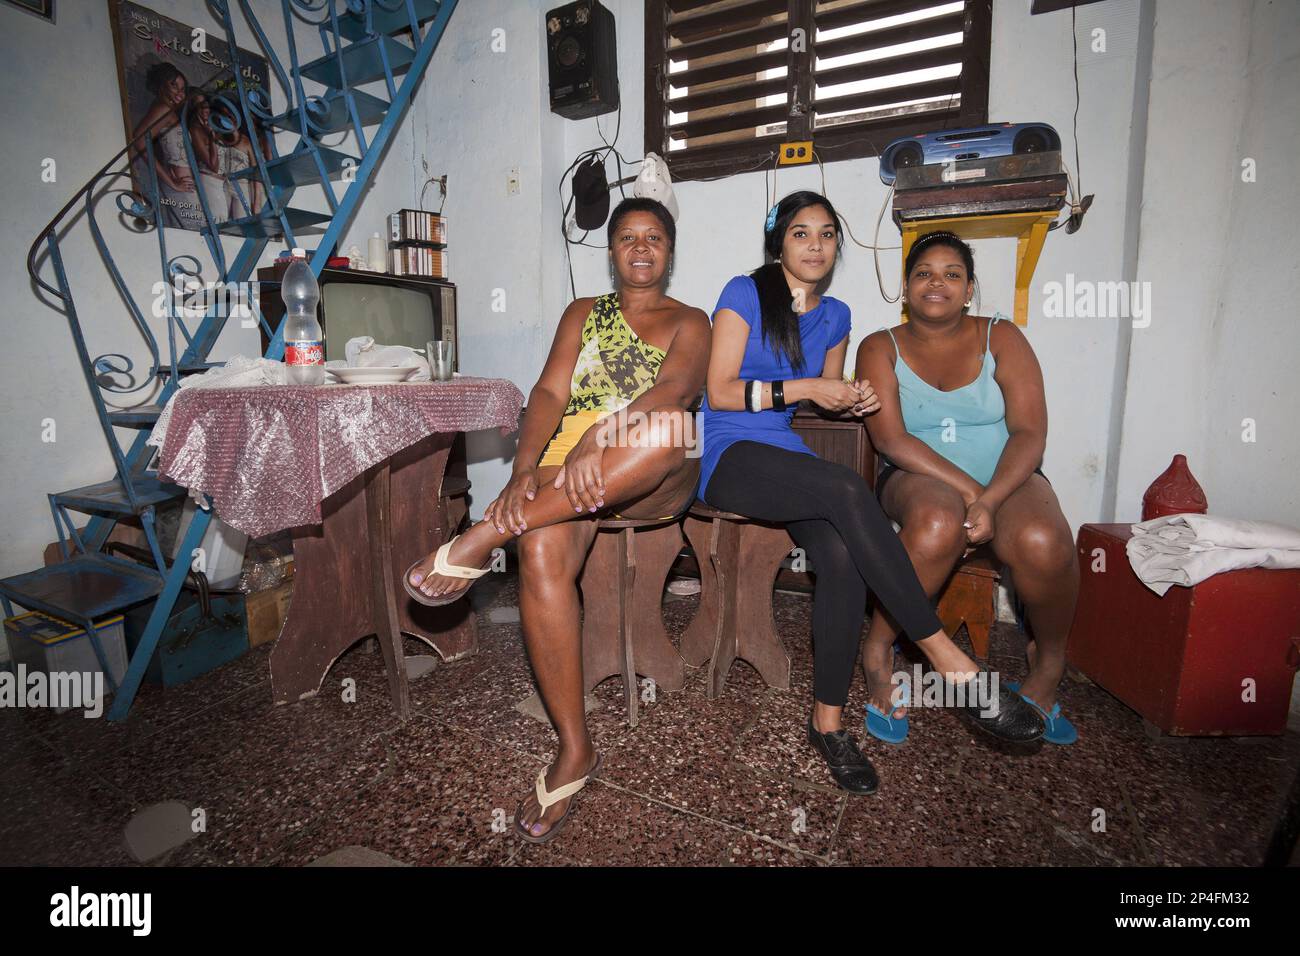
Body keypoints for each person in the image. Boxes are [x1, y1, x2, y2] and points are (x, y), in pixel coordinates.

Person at [699, 193, 1045, 795]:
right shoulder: (743, 293)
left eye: (827, 235)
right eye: (801, 233)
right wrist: (805, 385)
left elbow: (820, 396)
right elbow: (722, 392)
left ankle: (827, 723)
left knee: (839, 557)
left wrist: (849, 397)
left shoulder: (836, 315)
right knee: (843, 485)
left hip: (784, 453)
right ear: (778, 243)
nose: (815, 246)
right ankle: (942, 655)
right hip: (728, 452)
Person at [404, 197, 710, 841]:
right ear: (611, 253)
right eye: (628, 237)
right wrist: (523, 469)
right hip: (565, 475)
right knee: (541, 553)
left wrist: (605, 430)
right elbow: (547, 392)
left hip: (652, 465)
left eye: (654, 237)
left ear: (671, 251)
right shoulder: (582, 314)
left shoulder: (691, 320)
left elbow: (678, 389)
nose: (641, 248)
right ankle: (575, 747)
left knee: (671, 425)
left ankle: (484, 535)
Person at [854, 230, 1079, 745]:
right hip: (916, 475)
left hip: (1006, 476)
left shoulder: (1002, 337)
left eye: (952, 274)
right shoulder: (879, 346)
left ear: (970, 287)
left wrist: (993, 497)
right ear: (906, 287)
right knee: (938, 522)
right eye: (924, 273)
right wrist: (969, 493)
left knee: (1044, 541)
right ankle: (877, 649)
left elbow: (1029, 432)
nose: (938, 283)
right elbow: (891, 438)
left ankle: (1048, 666)